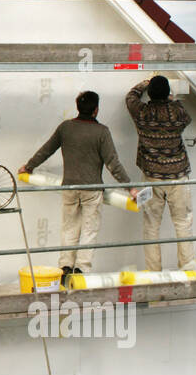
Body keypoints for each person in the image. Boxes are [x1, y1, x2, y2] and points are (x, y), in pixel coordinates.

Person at [19, 91, 135, 284]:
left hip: (69, 187)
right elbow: (113, 164)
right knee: (89, 230)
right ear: (96, 110)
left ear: (78, 107)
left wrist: (29, 166)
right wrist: (130, 188)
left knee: (69, 228)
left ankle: (65, 267)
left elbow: (46, 149)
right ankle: (81, 271)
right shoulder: (102, 132)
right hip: (92, 190)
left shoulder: (66, 128)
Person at [126, 76, 194, 271]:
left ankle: (154, 272)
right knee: (183, 223)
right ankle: (187, 269)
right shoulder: (177, 111)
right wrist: (170, 99)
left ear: (151, 93)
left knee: (151, 225)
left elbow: (130, 97)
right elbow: (186, 118)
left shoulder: (142, 113)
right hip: (178, 175)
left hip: (151, 176)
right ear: (167, 93)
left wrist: (143, 83)